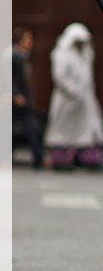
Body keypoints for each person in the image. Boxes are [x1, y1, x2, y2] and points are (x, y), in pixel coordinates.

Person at [44, 22, 103, 169]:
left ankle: (85, 158)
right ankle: (61, 159)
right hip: (67, 100)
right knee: (63, 131)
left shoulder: (86, 54)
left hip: (85, 100)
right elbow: (60, 77)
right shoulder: (61, 54)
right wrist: (74, 91)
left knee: (86, 131)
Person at [11, 27, 43, 169]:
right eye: (27, 39)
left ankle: (38, 158)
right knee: (30, 127)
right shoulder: (14, 56)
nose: (30, 42)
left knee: (27, 127)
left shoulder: (22, 55)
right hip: (16, 99)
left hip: (22, 99)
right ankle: (38, 158)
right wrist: (16, 94)